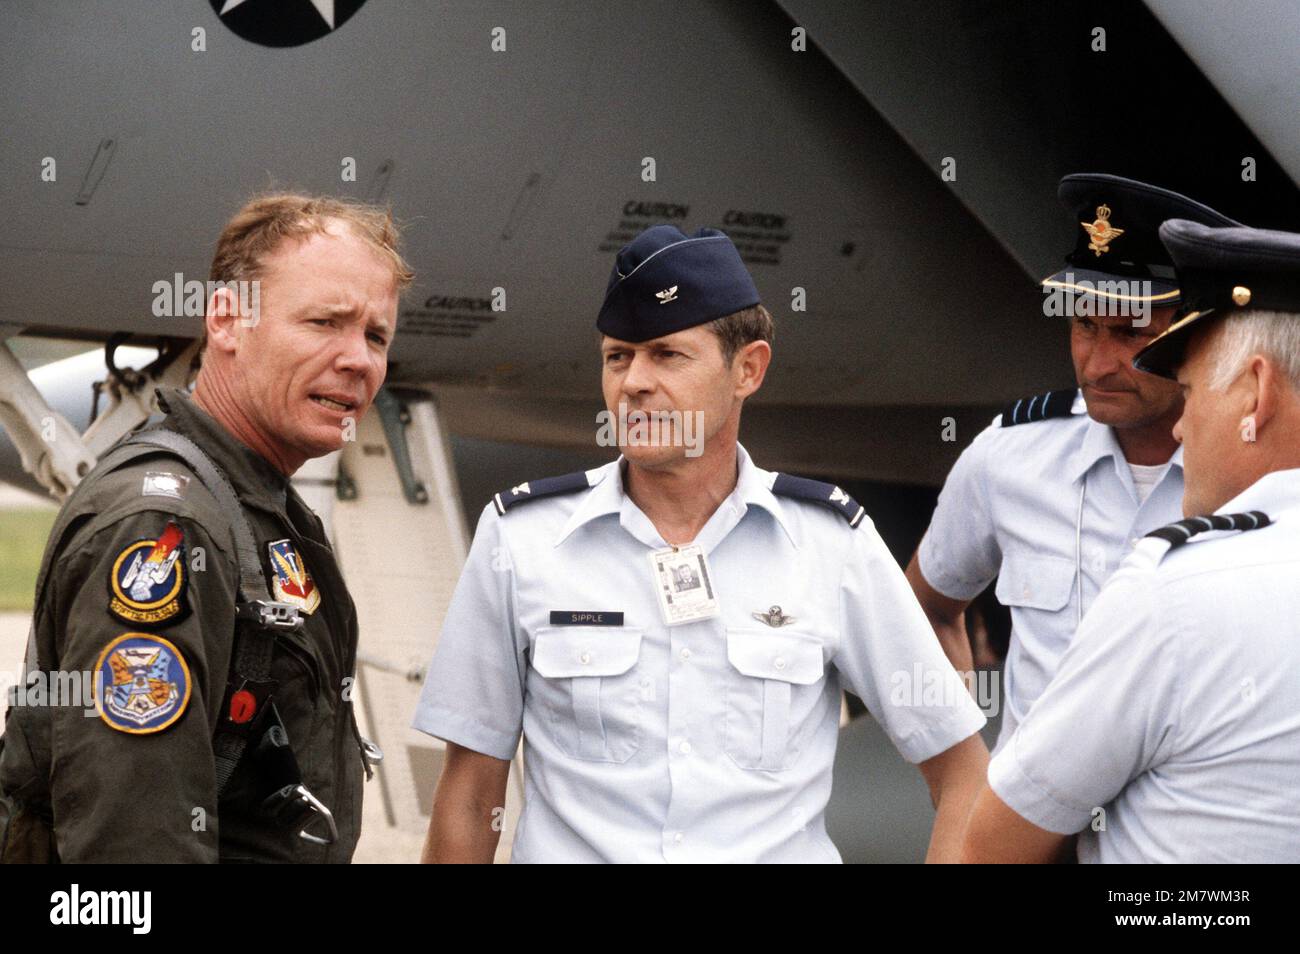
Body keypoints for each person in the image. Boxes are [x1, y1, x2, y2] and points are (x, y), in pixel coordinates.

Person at [413, 224, 988, 863]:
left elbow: (962, 770)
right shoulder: (521, 538)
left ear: (749, 369)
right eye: (617, 356)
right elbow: (470, 790)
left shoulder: (830, 544)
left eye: (667, 355)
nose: (633, 382)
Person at [0, 193, 411, 862]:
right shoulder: (164, 527)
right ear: (226, 321)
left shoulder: (256, 507)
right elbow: (134, 843)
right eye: (324, 323)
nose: (358, 360)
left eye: (375, 335)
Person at [962, 219, 1300, 863]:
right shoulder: (1007, 457)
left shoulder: (1173, 592)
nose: (1180, 429)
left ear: (1256, 393)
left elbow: (993, 847)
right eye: (1084, 324)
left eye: (1194, 392)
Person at [904, 174, 1239, 751]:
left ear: (1202, 330)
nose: (1097, 365)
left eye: (1131, 331)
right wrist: (961, 774)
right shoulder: (1009, 457)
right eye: (1085, 324)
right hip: (1024, 835)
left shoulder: (1263, 476)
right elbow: (922, 611)